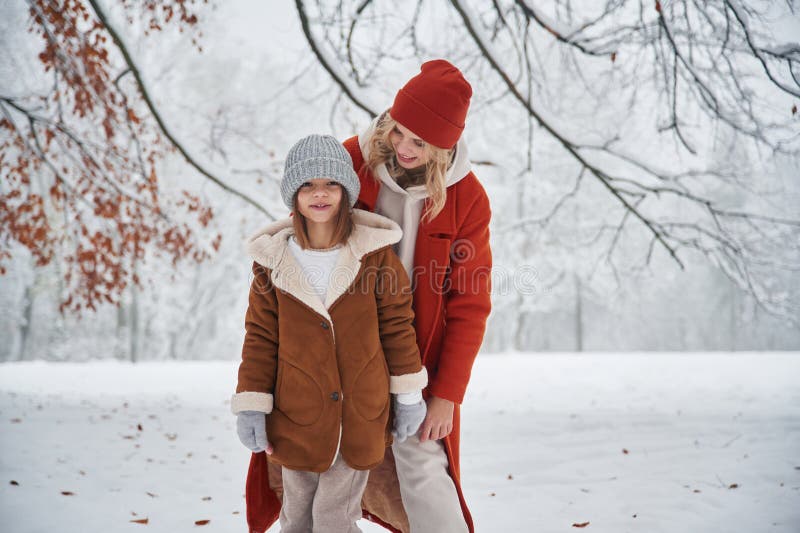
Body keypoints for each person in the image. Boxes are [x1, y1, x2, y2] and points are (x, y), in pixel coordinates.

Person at [232, 134, 429, 532]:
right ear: (293, 194)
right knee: (297, 520)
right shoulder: (273, 264)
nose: (319, 194)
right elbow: (260, 339)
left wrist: (408, 396)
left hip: (358, 416)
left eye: (330, 184)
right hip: (297, 418)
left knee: (332, 519)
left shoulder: (374, 256)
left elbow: (396, 328)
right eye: (307, 184)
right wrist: (252, 403)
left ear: (346, 191)